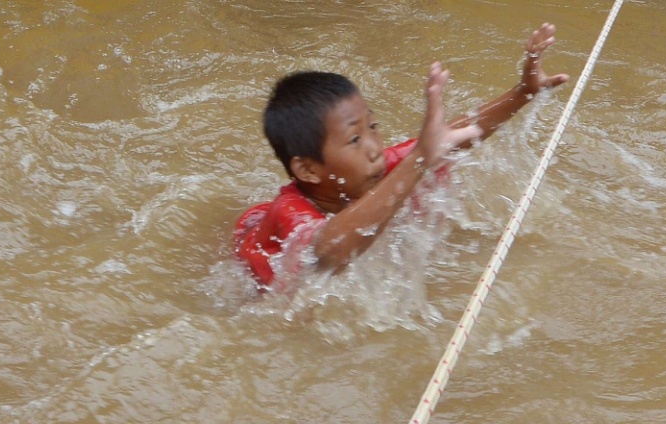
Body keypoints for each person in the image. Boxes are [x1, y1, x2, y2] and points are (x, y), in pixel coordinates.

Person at [233, 26, 569, 289]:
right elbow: (326, 253)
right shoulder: (288, 212)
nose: (375, 146)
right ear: (306, 169)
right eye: (354, 138)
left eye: (373, 127)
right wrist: (421, 157)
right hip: (253, 259)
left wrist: (523, 92)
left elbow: (456, 136)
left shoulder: (381, 167)